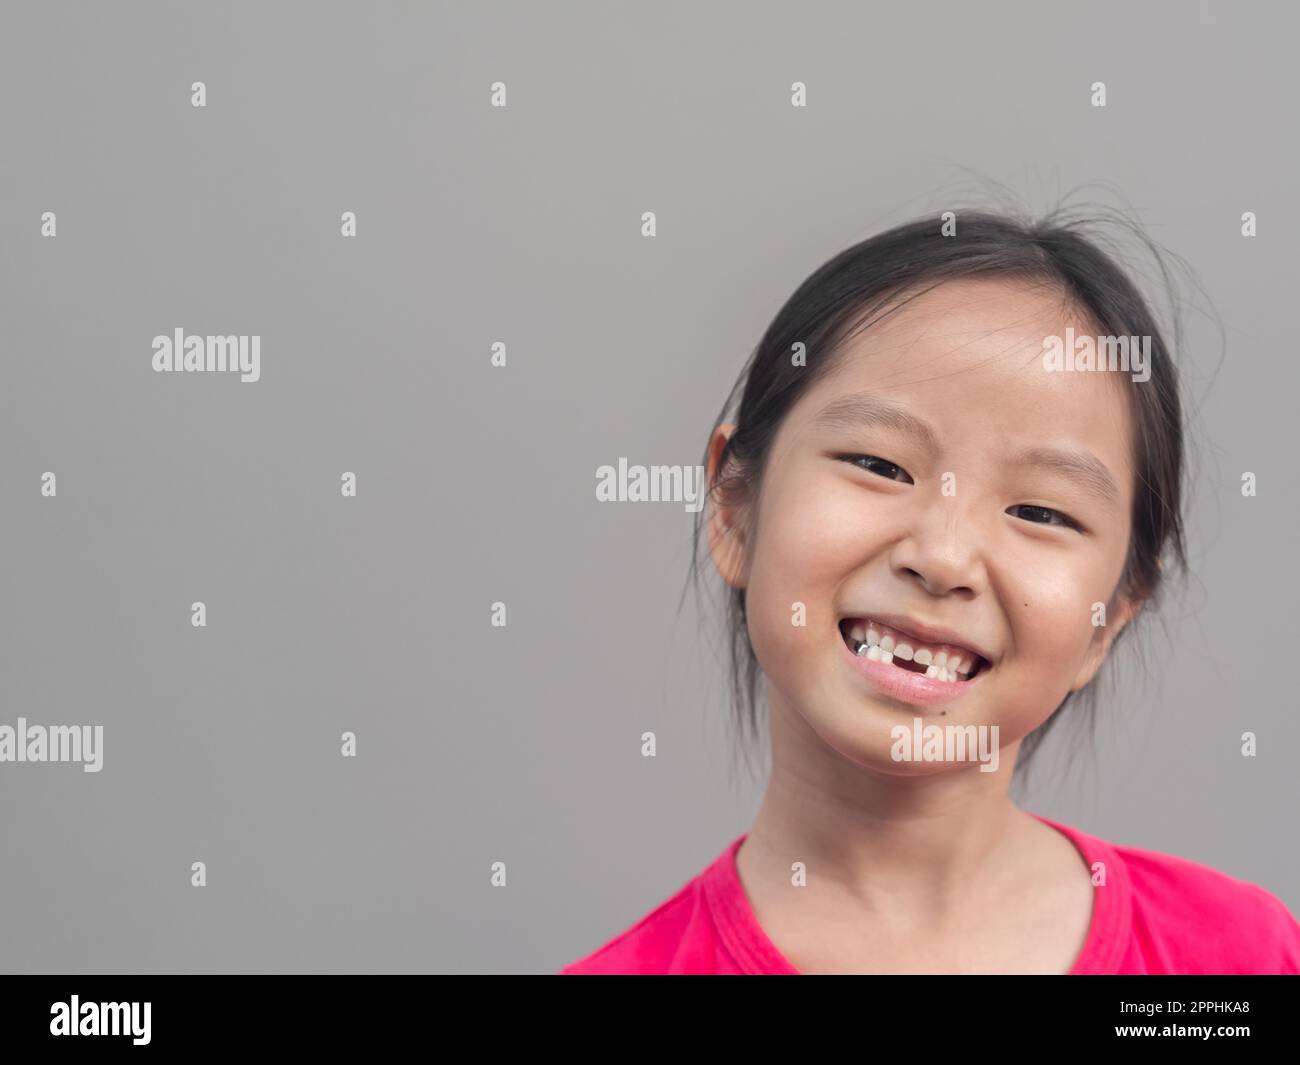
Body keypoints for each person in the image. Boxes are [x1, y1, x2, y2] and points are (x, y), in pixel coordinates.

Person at [560, 210, 1300, 975]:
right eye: (879, 465)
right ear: (734, 506)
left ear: (1107, 620)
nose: (942, 558)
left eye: (1041, 512)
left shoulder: (1236, 963)